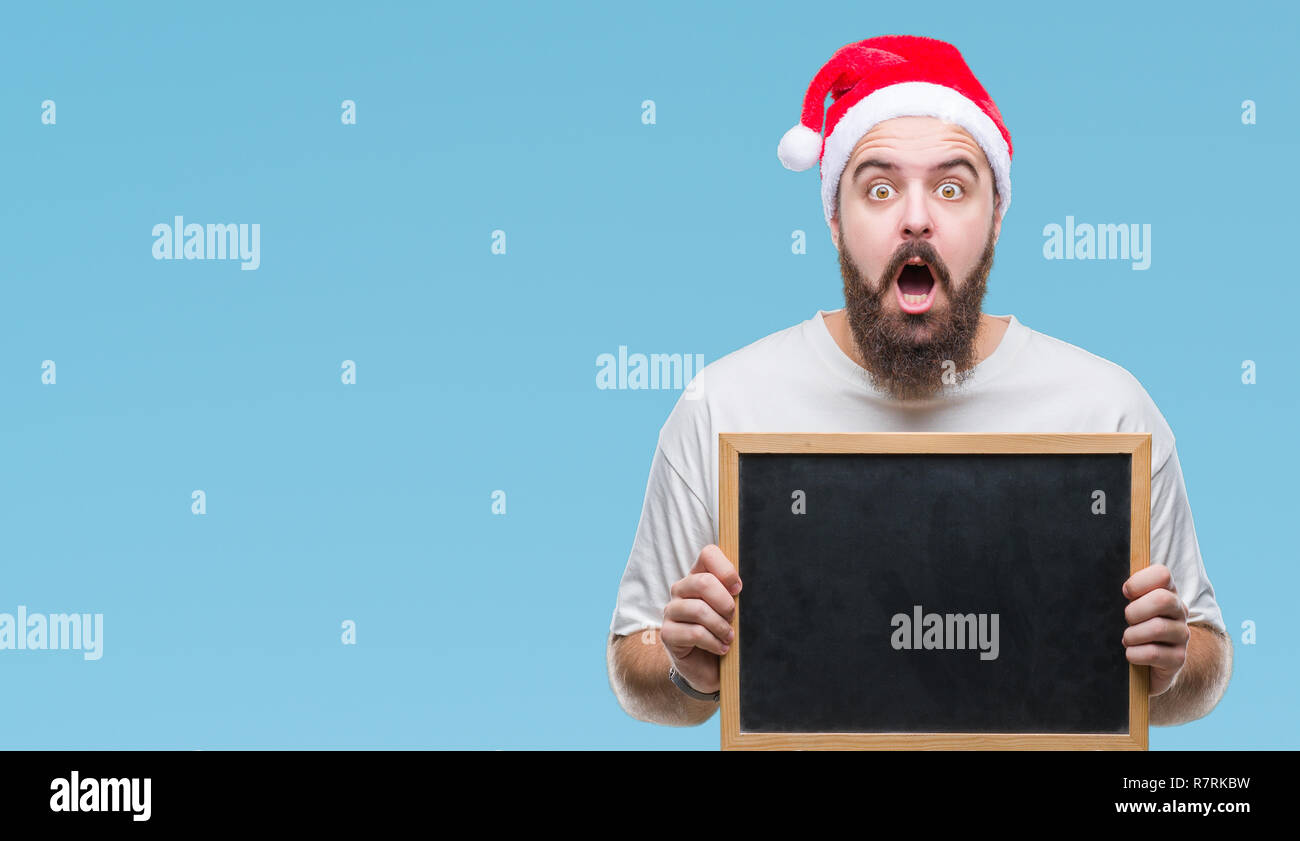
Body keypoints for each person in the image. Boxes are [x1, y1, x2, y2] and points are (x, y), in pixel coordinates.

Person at [606, 35, 1231, 728]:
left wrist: (1171, 664)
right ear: (835, 219)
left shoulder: (1108, 408)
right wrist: (685, 668)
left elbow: (1206, 656)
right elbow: (633, 662)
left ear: (995, 216)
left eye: (952, 187)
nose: (915, 216)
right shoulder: (720, 403)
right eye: (879, 187)